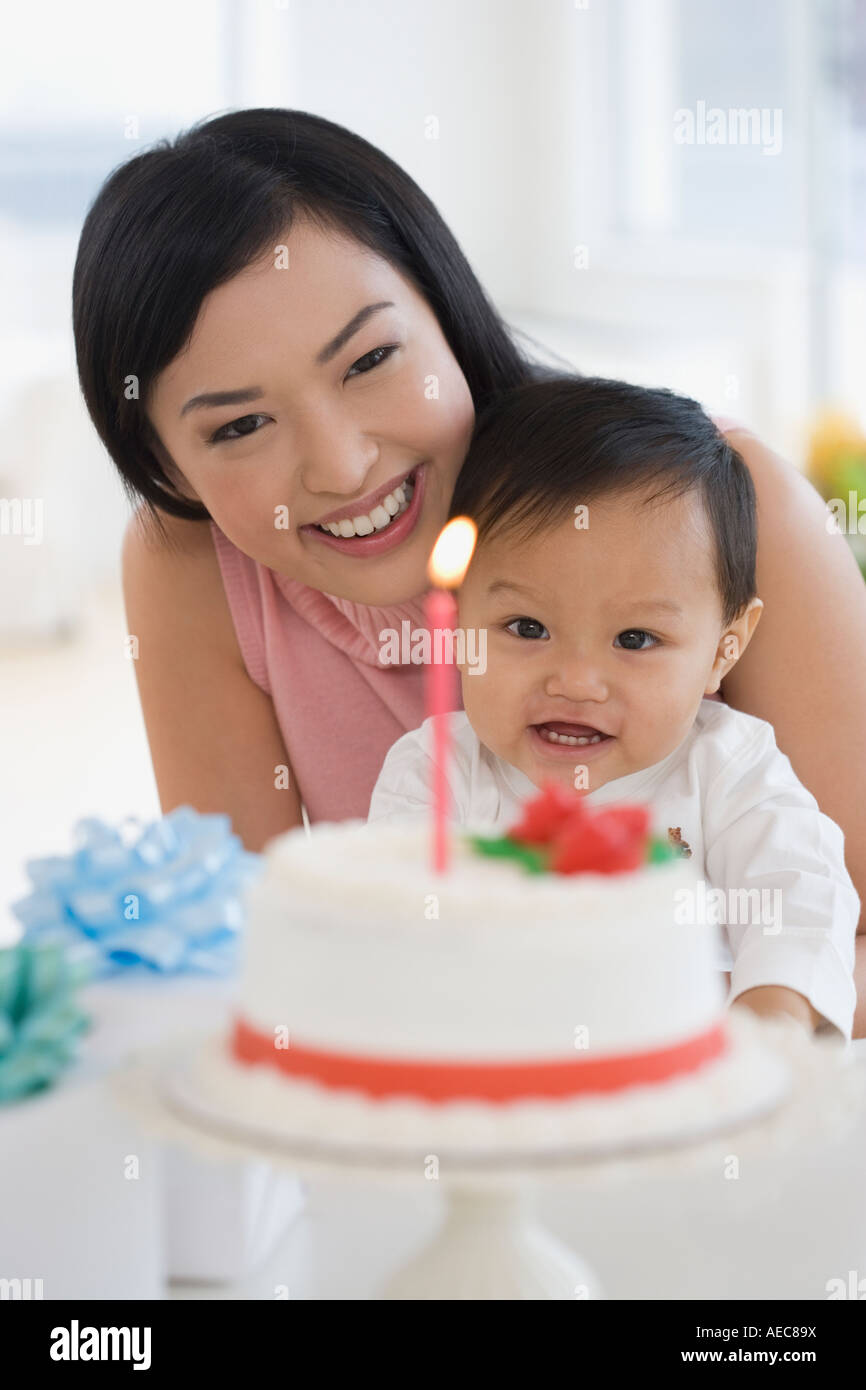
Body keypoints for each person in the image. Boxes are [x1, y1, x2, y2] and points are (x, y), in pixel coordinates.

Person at [71, 108, 866, 1035]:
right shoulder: (191, 563)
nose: (339, 465)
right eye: (239, 426)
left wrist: (672, 1067)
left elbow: (835, 917)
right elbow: (267, 963)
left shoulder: (719, 503)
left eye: (370, 359)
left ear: (445, 312)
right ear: (167, 468)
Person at [368, 376, 859, 1040]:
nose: (575, 682)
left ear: (724, 650)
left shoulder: (729, 768)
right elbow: (386, 934)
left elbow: (799, 896)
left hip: (690, 1084)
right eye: (527, 628)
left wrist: (770, 1021)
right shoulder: (436, 771)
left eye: (635, 640)